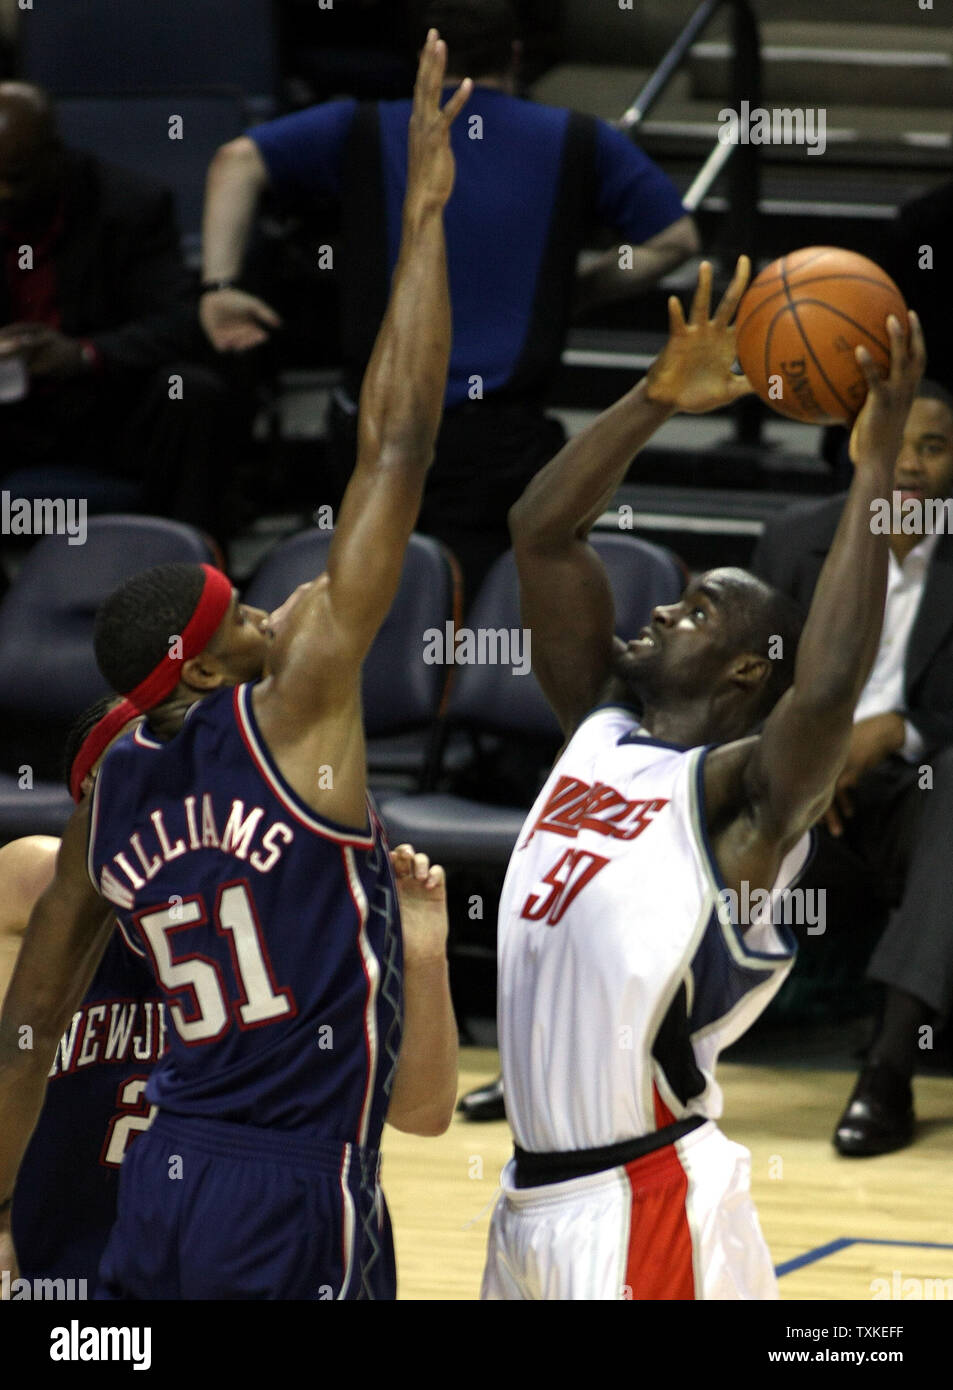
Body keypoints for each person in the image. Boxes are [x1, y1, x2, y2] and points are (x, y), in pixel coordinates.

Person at [0, 33, 465, 1301]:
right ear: (203, 676)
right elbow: (397, 444)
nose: (275, 607)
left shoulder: (109, 787)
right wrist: (422, 220)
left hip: (160, 1179)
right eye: (239, 621)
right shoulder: (300, 706)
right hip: (291, 1183)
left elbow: (30, 1024)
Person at [478, 260, 925, 1299]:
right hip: (532, 1202)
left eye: (701, 608)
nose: (668, 608)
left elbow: (823, 695)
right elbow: (539, 533)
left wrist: (869, 474)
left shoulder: (742, 805)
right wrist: (651, 398)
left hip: (640, 1205)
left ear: (744, 670)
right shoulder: (597, 726)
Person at [200, 0, 698, 598]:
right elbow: (676, 239)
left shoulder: (361, 126)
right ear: (515, 54)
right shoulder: (577, 138)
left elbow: (236, 160)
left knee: (367, 615)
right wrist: (579, 291)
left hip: (373, 431)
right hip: (499, 445)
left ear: (425, 57)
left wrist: (220, 288)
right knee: (477, 618)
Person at [751, 380, 953, 1156]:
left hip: (918, 803)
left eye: (931, 447)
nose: (908, 465)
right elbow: (746, 685)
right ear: (855, 449)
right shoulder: (792, 540)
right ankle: (619, 1052)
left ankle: (888, 1071)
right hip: (802, 803)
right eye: (893, 443)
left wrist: (891, 730)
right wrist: (814, 754)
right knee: (684, 788)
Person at [0, 82, 248, 543]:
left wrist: (81, 355)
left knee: (191, 393)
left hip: (105, 406)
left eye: (17, 177)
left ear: (54, 156)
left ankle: (188, 580)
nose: (3, 193)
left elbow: (180, 323)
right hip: (11, 414)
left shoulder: (129, 205)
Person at [1, 697, 168, 1292]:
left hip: (173, 1242)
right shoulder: (30, 876)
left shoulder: (242, 911)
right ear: (92, 787)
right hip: (39, 1233)